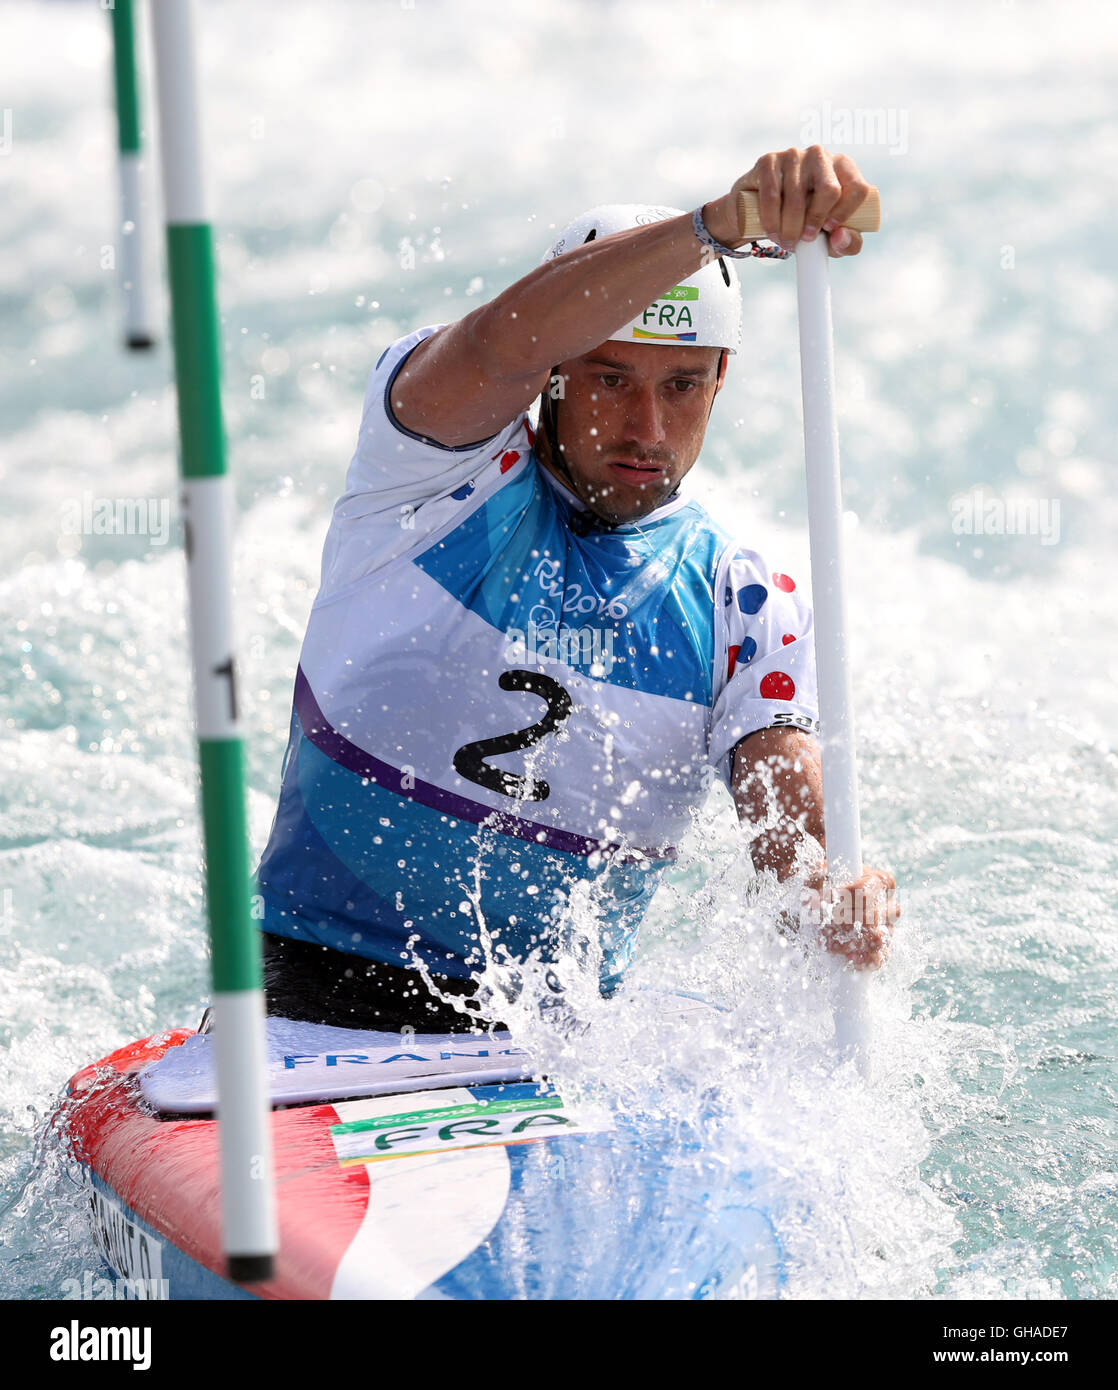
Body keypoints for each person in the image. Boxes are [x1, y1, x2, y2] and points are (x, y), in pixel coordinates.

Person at [254, 146, 900, 1035]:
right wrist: (714, 228)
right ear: (554, 374)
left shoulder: (744, 604)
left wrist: (828, 898)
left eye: (680, 386)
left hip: (555, 1050)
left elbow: (789, 851)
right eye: (608, 379)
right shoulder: (432, 473)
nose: (646, 428)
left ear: (719, 382)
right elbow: (496, 343)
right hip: (306, 1003)